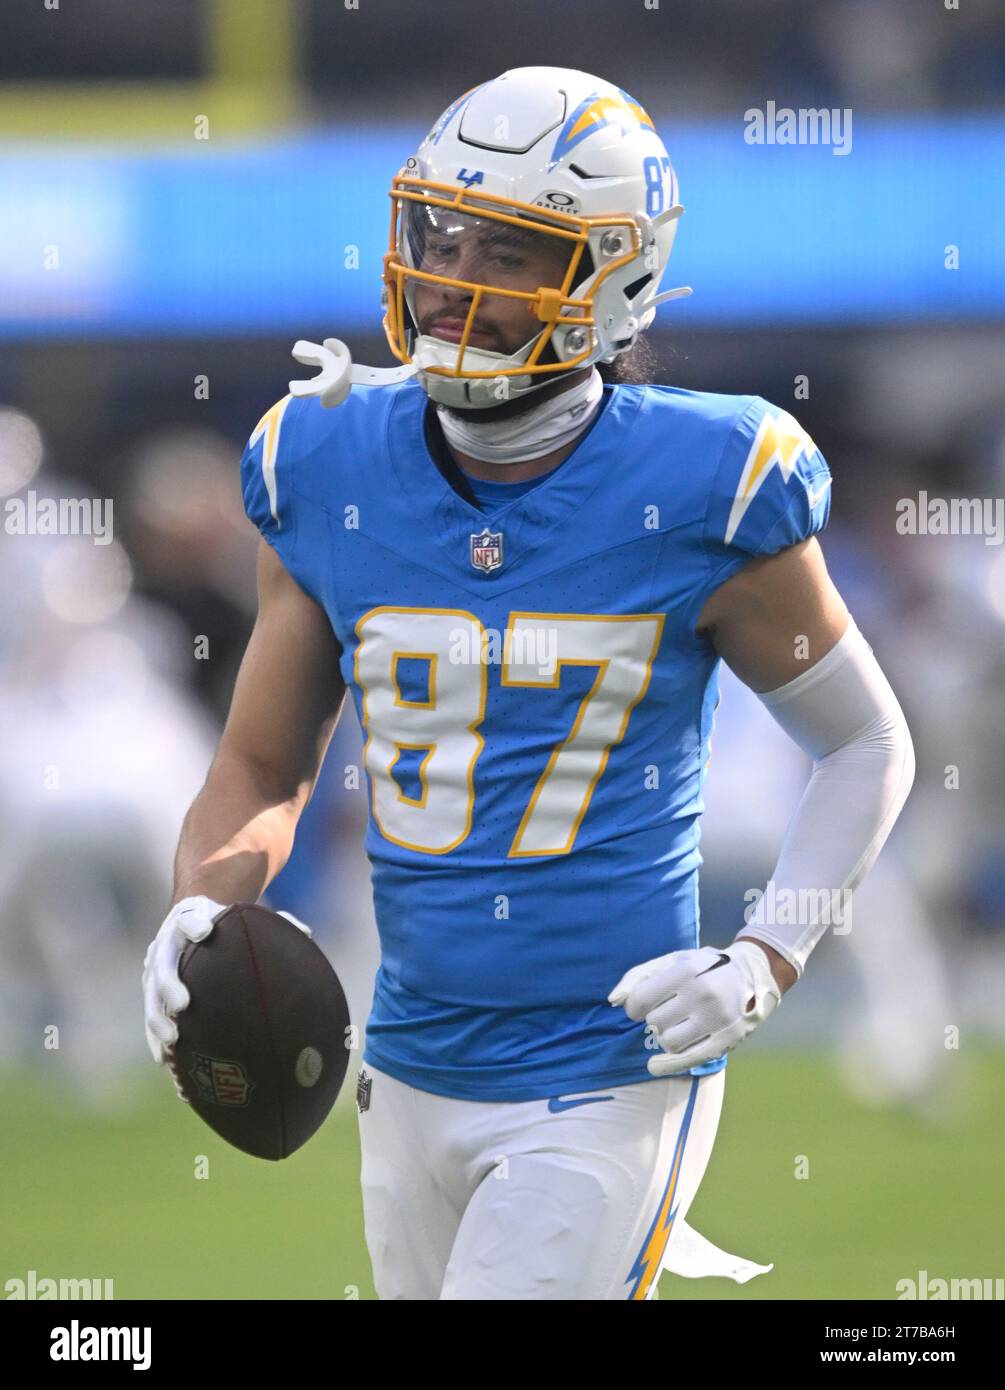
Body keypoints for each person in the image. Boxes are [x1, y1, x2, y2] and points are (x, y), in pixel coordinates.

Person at [142, 66, 915, 1300]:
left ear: (616, 281)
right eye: (444, 235)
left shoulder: (711, 480)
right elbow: (259, 768)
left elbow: (869, 744)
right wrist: (201, 901)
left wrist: (766, 959)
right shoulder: (322, 457)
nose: (456, 278)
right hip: (404, 1065)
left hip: (603, 1070)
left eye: (512, 252)